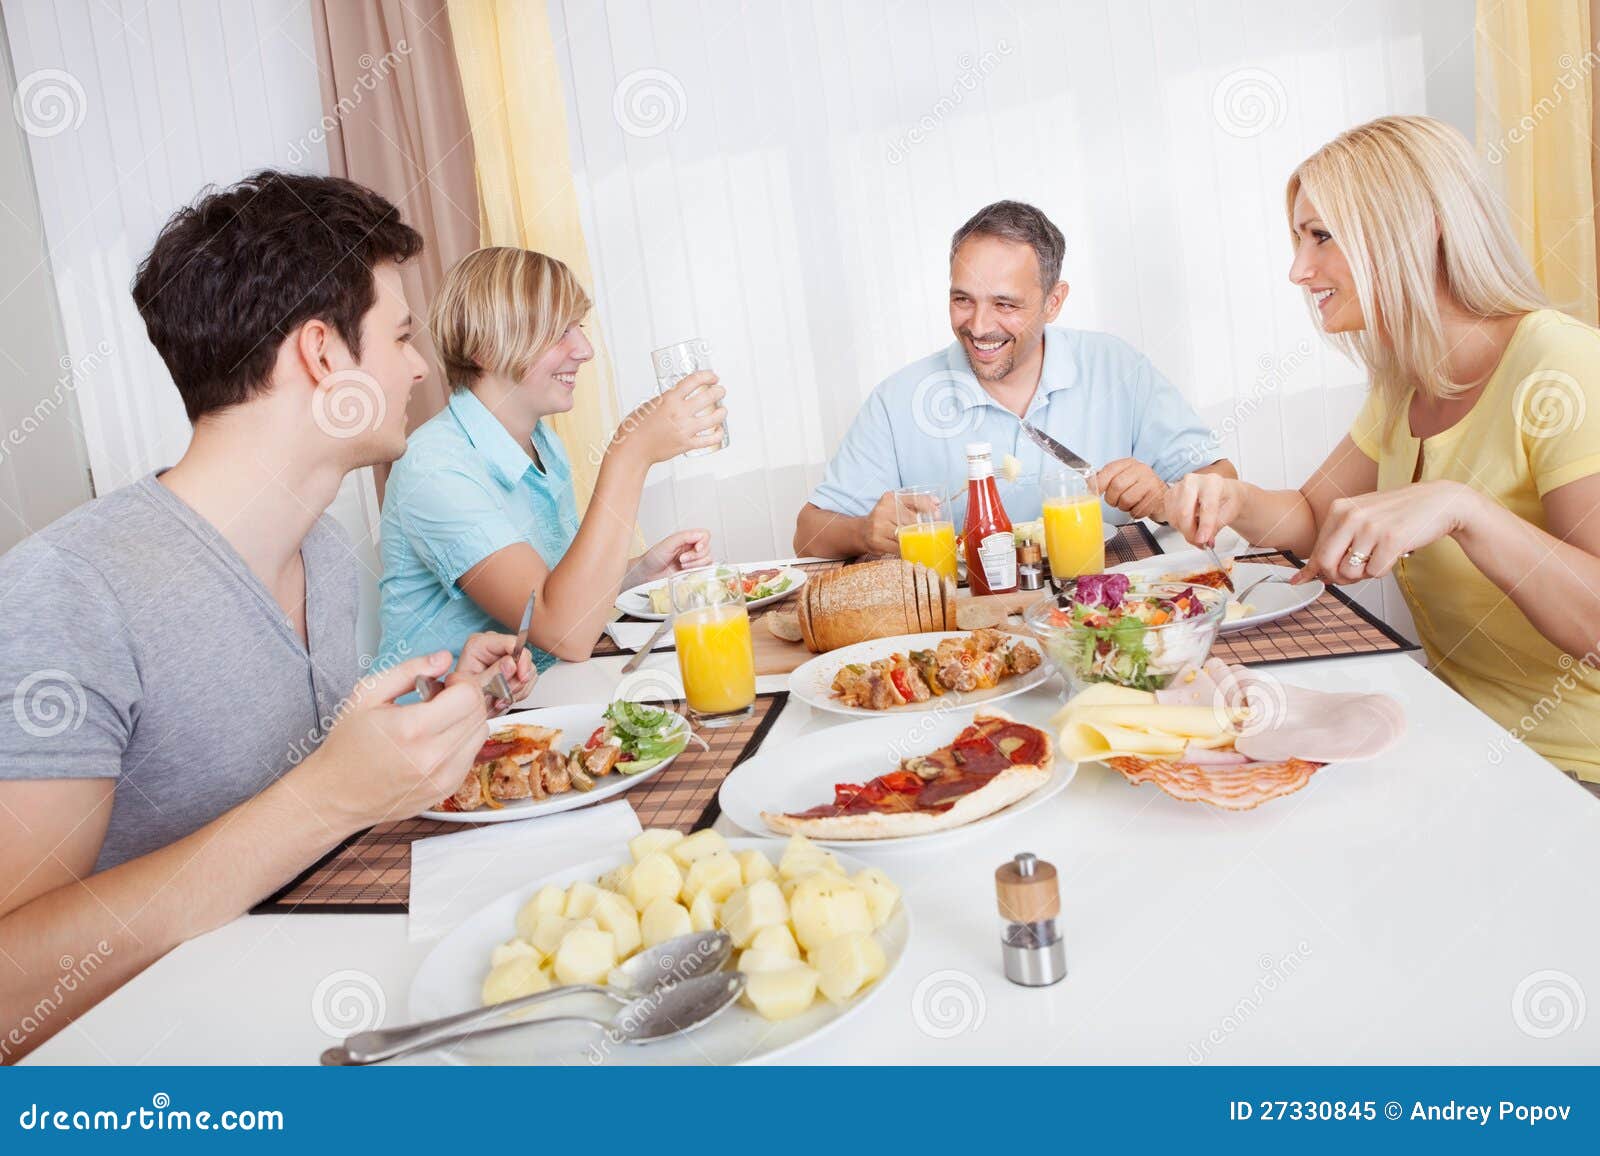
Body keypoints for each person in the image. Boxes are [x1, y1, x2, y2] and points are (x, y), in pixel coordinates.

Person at [0, 172, 534, 1062]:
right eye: (400, 337)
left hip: (303, 1011)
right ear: (322, 354)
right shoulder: (69, 589)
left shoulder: (322, 551)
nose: (417, 367)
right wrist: (326, 799)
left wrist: (431, 707)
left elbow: (282, 783)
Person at [1164, 115, 1600, 786]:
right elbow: (1312, 517)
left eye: (1321, 237)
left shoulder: (1562, 365)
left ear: (1417, 228)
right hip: (1462, 736)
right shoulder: (1405, 382)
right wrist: (1236, 500)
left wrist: (1463, 509)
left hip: (1571, 770)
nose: (1298, 270)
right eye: (1298, 239)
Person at [794, 200, 1235, 559]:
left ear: (1053, 301)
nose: (980, 325)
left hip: (1105, 614)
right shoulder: (898, 400)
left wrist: (1165, 497)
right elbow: (809, 533)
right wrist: (861, 531)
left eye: (1005, 305)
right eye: (962, 299)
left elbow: (1222, 482)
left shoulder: (1116, 367)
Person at [379, 247, 721, 668]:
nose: (584, 349)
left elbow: (559, 594)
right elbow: (566, 633)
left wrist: (637, 575)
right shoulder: (435, 468)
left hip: (534, 699)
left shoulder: (543, 443)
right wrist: (630, 456)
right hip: (447, 725)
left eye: (578, 326)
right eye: (558, 332)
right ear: (485, 348)